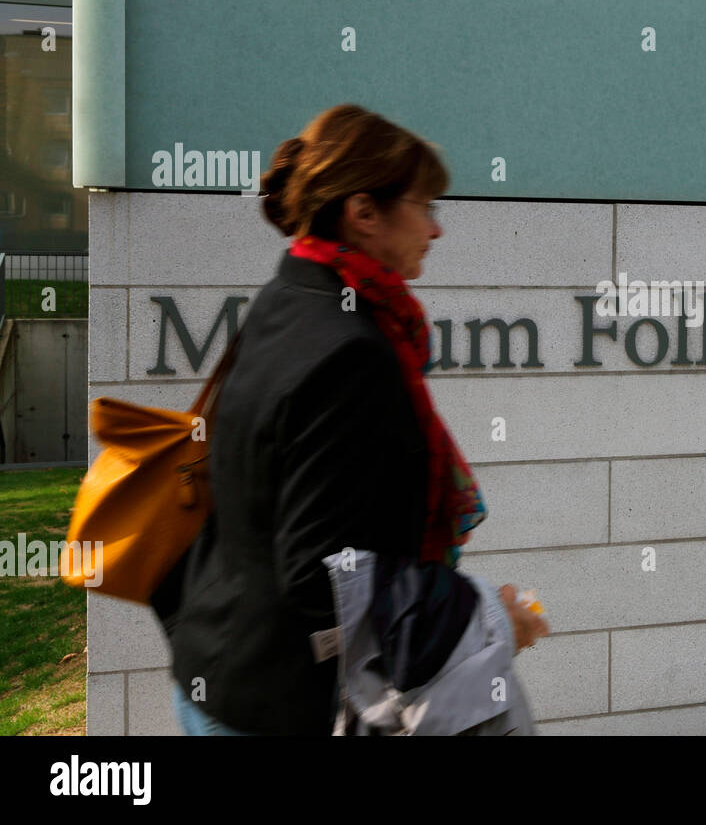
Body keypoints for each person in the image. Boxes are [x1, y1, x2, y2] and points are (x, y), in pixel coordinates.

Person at [166, 104, 549, 735]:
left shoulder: (291, 295)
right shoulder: (352, 350)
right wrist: (489, 620)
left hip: (220, 671)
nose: (436, 230)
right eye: (426, 206)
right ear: (364, 213)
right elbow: (320, 573)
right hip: (279, 707)